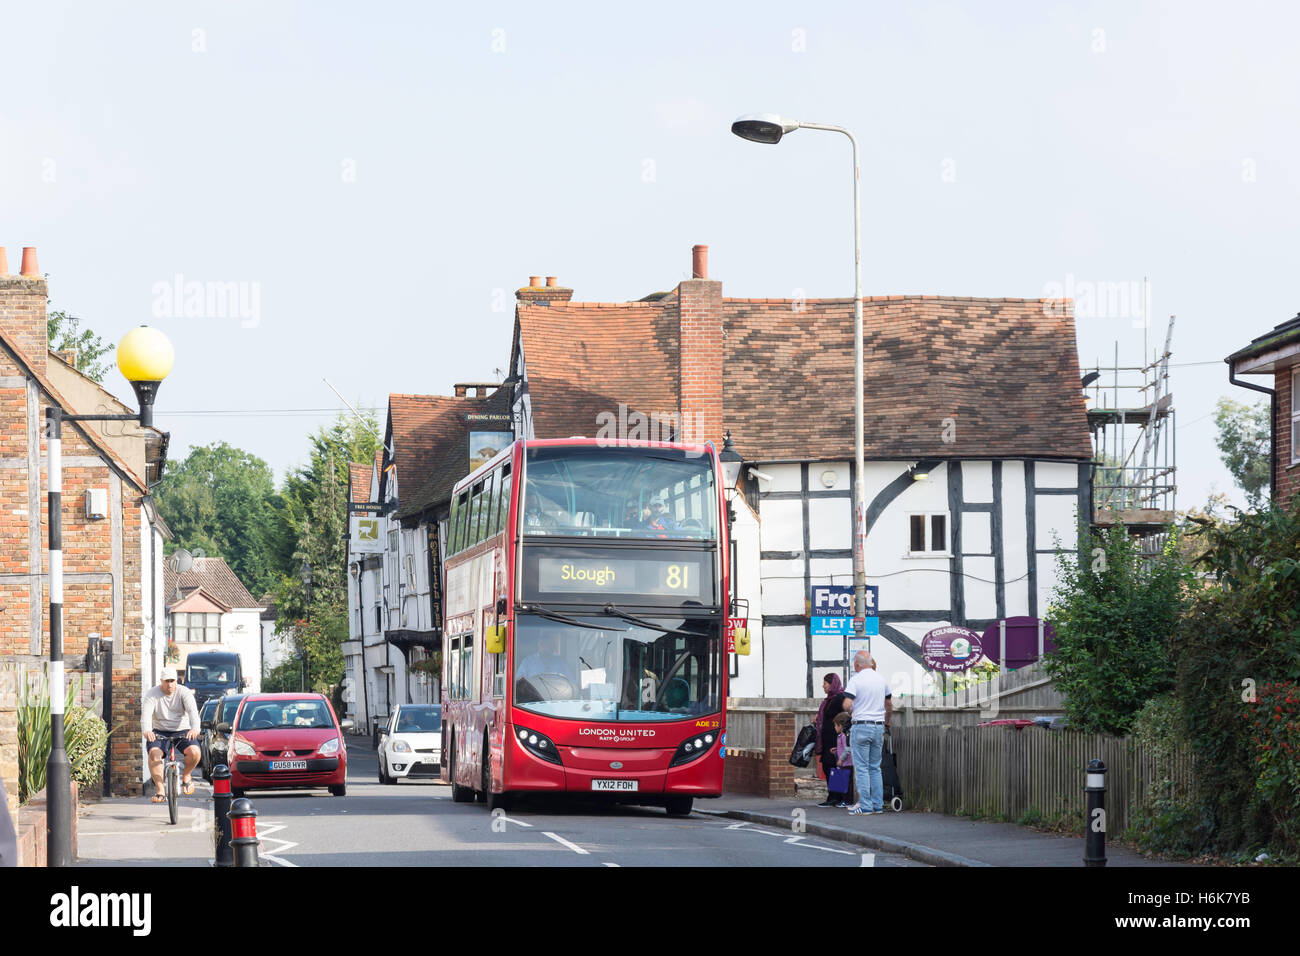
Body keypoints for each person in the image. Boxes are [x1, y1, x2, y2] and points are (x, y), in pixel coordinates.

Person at [841, 650, 893, 814]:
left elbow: (847, 703)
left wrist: (850, 711)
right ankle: (877, 805)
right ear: (870, 662)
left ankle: (865, 806)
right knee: (875, 768)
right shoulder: (881, 679)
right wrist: (886, 720)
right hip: (878, 727)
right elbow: (889, 703)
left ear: (857, 664)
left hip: (861, 725)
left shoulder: (855, 680)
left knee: (862, 768)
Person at [142, 666, 202, 802]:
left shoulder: (184, 692)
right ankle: (160, 790)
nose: (169, 684)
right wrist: (147, 730)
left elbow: (193, 712)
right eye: (166, 681)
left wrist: (195, 729)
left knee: (195, 752)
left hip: (182, 730)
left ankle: (186, 776)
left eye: (172, 681)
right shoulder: (152, 693)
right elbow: (146, 714)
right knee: (153, 754)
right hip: (160, 731)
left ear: (177, 681)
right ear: (161, 681)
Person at [813, 672, 846, 807]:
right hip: (826, 739)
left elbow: (845, 717)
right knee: (827, 767)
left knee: (835, 767)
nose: (823, 686)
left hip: (836, 739)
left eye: (825, 683)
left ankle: (837, 797)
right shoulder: (829, 700)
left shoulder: (840, 698)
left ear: (832, 684)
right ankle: (831, 796)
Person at [831, 711, 854, 808]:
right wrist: (836, 750)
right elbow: (843, 748)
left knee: (847, 784)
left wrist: (841, 759)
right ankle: (844, 800)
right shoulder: (841, 736)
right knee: (843, 782)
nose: (834, 727)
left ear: (841, 725)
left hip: (847, 763)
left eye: (836, 725)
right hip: (844, 763)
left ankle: (848, 801)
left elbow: (848, 749)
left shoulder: (844, 736)